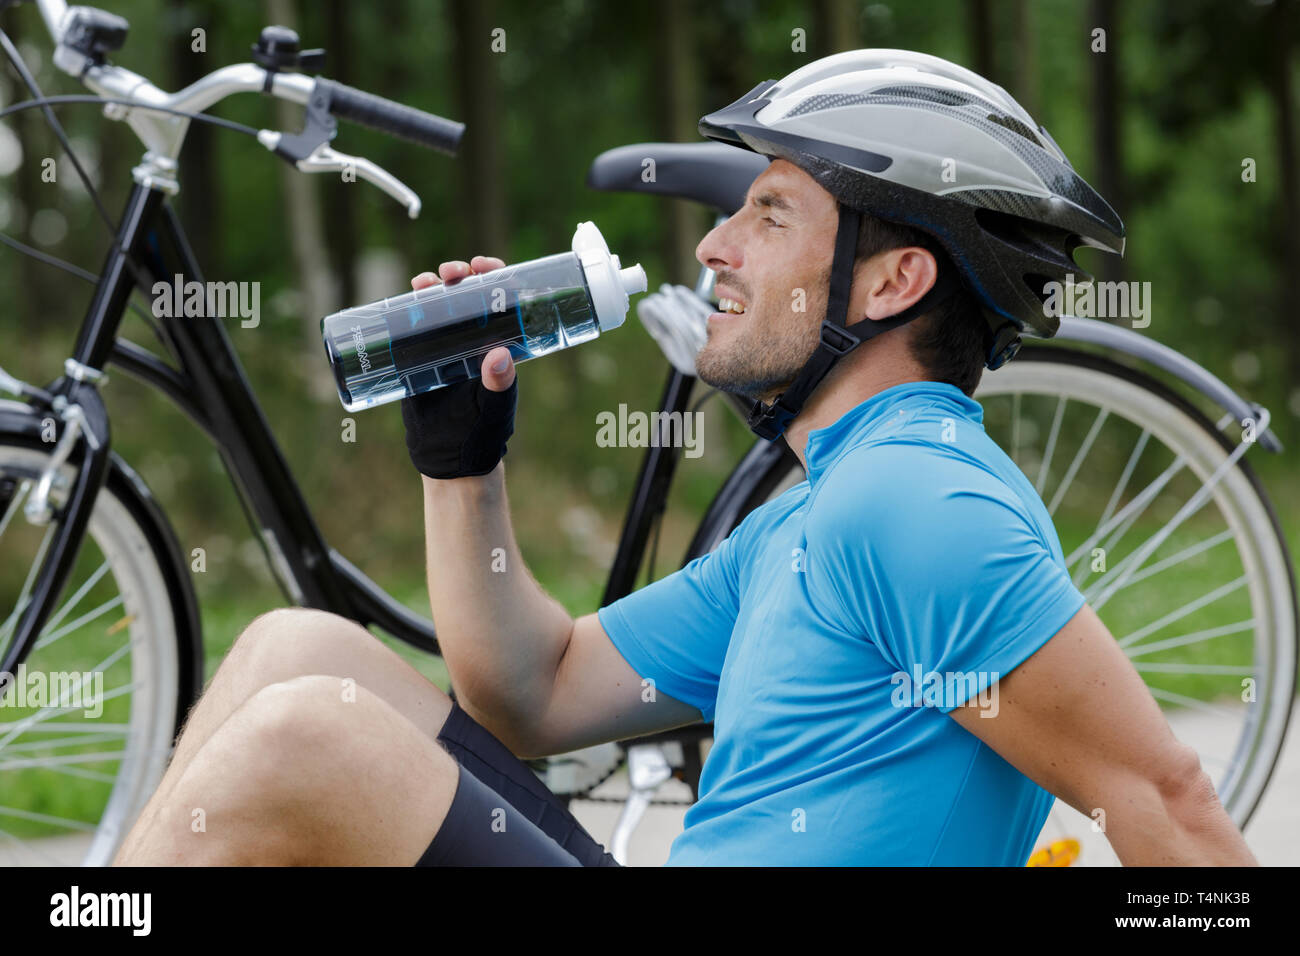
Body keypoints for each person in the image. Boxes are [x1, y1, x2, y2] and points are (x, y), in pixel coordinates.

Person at [113, 50, 1257, 866]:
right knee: (295, 650)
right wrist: (461, 459)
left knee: (308, 738)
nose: (711, 245)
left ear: (892, 279)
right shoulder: (812, 515)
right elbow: (531, 691)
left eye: (769, 213)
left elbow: (1164, 797)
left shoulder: (916, 497)